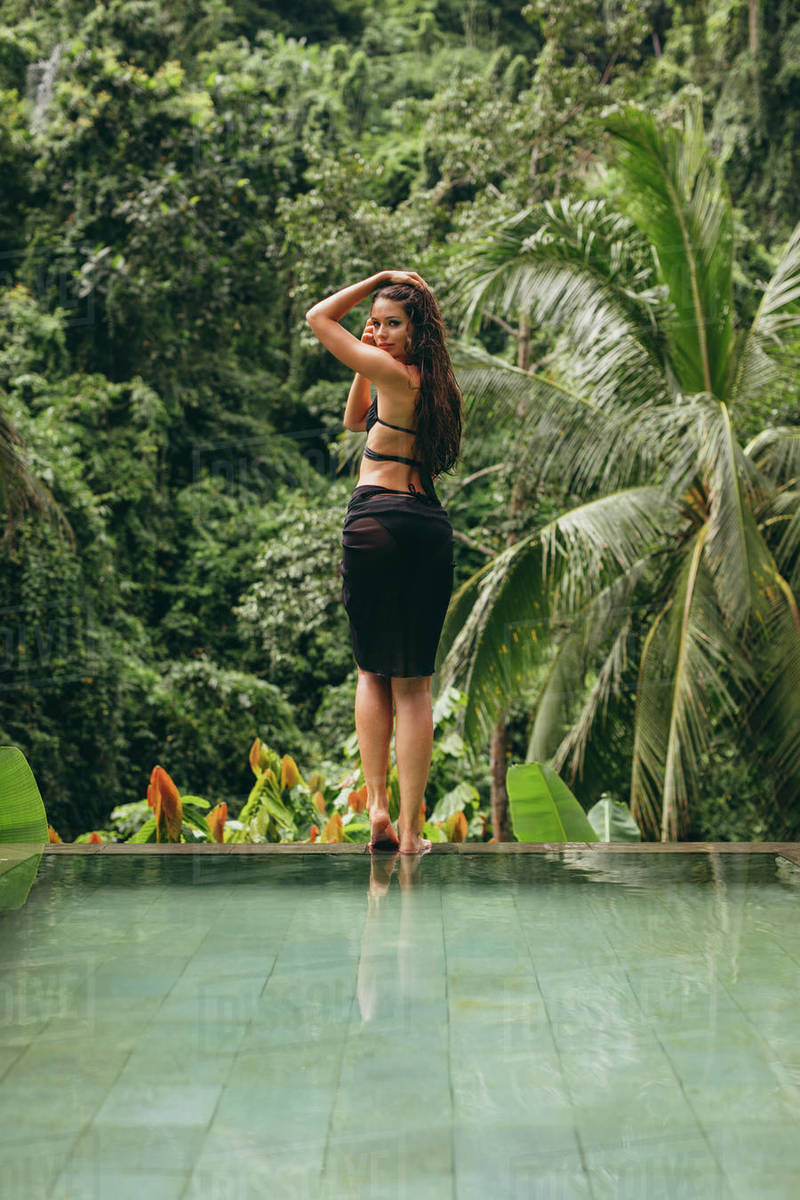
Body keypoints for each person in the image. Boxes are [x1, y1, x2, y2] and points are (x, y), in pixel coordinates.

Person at [306, 270, 462, 855]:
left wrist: (379, 279)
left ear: (418, 330)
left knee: (373, 672)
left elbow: (318, 317)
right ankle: (411, 829)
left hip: (374, 522)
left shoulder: (393, 373)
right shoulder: (435, 387)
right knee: (415, 686)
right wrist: (367, 353)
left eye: (392, 324)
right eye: (375, 324)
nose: (379, 332)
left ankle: (377, 807)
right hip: (426, 528)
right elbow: (356, 421)